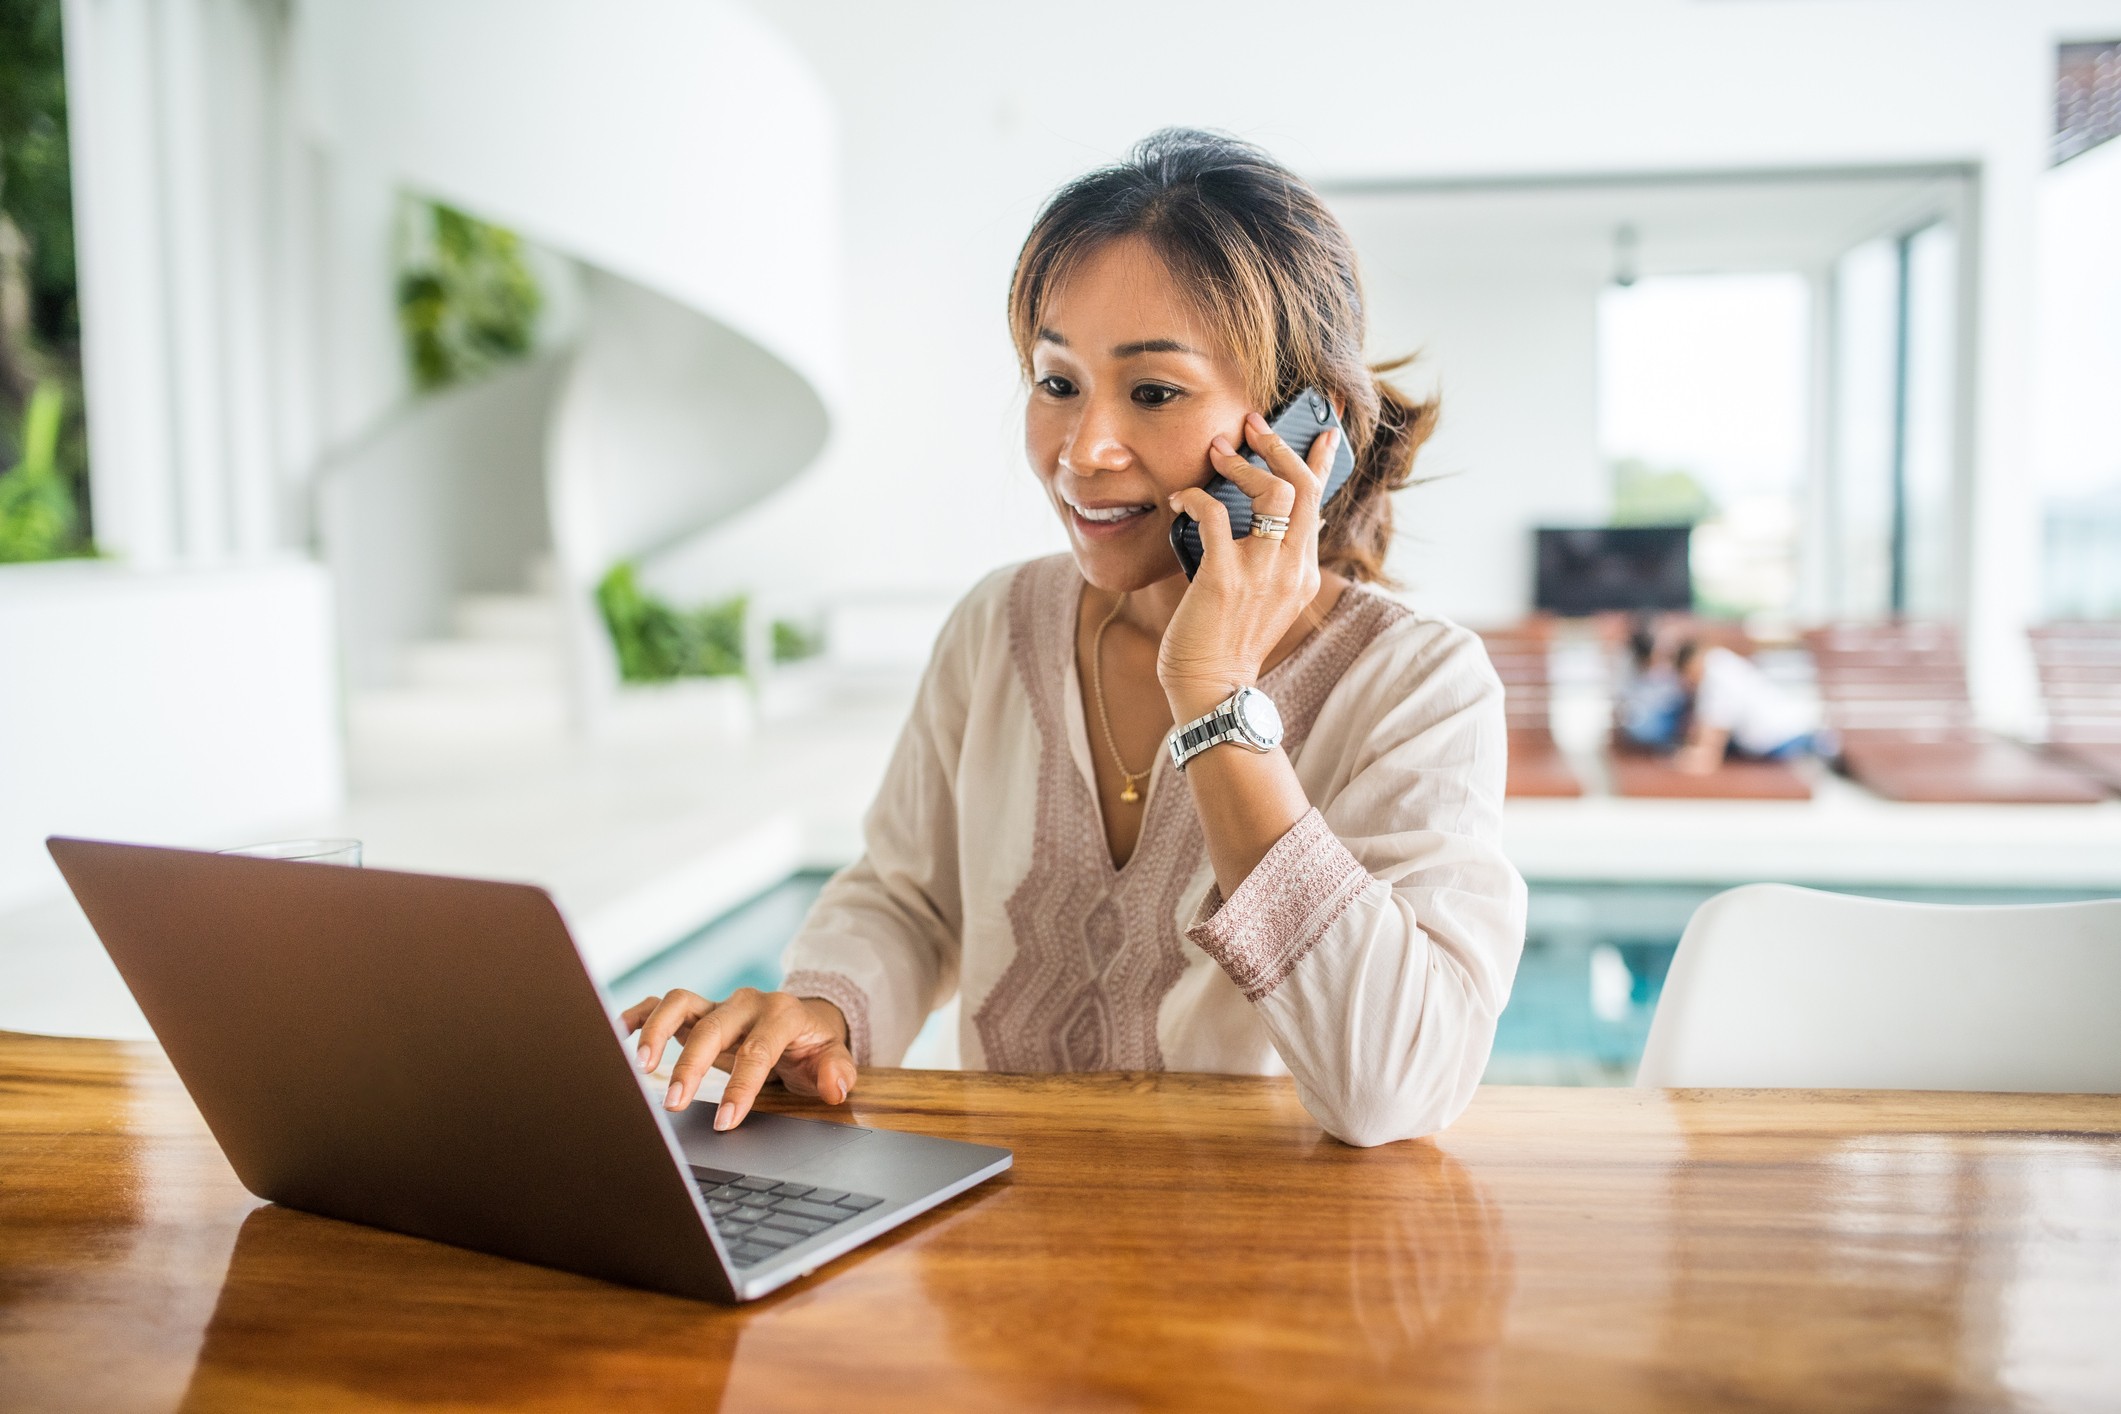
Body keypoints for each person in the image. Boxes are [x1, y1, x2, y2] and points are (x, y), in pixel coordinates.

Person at [625, 130, 1527, 1147]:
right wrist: (826, 1007)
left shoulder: (1420, 685)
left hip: (1272, 1275)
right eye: (1057, 383)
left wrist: (1216, 690)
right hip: (999, 1252)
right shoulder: (998, 625)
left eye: (1153, 392)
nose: (1083, 450)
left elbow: (1391, 1088)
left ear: (1298, 424)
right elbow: (911, 898)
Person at [1670, 639, 1828, 774]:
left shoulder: (1717, 675)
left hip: (1785, 742)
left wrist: (1682, 760)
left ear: (1691, 666)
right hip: (1789, 733)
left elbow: (1709, 754)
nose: (1690, 685)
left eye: (1688, 678)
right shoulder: (1719, 661)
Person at [1616, 620, 1686, 751]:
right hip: (1647, 714)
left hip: (1671, 712)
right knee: (1639, 728)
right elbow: (1623, 699)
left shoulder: (1671, 653)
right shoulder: (1629, 662)